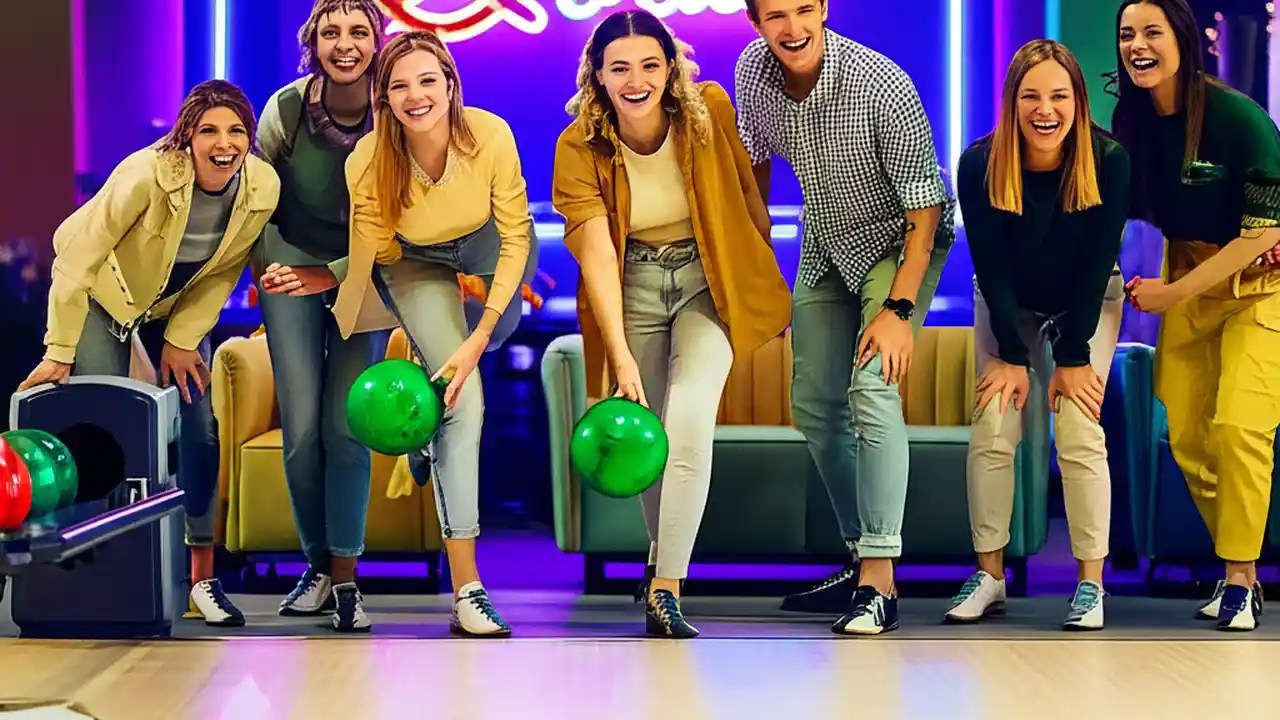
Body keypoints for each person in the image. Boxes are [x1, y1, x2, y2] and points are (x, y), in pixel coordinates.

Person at [268, 29, 537, 637]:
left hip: (491, 248)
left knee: (488, 343)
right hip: (416, 262)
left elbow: (517, 236)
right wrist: (325, 276)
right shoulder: (369, 160)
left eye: (427, 80)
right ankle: (469, 589)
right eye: (399, 85)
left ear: (450, 84)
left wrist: (479, 333)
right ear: (384, 97)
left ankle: (427, 421)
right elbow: (375, 255)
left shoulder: (490, 135)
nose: (416, 96)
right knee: (463, 399)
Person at [553, 10, 791, 639]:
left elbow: (747, 191)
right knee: (647, 434)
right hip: (629, 285)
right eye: (620, 68)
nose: (637, 80)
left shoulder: (708, 110)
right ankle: (662, 563)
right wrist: (618, 354)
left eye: (650, 65)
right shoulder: (578, 144)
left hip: (705, 282)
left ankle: (665, 586)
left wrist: (755, 277)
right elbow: (598, 253)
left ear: (671, 66)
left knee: (687, 420)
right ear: (598, 76)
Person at [18, 79, 281, 627]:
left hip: (174, 309)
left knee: (198, 428)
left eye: (236, 130)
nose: (223, 142)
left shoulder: (261, 187)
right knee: (106, 429)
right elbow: (75, 262)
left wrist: (183, 339)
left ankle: (202, 578)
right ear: (187, 137)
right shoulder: (145, 175)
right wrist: (60, 348)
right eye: (208, 130)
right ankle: (104, 570)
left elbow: (224, 272)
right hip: (102, 294)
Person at [734, 0, 955, 634]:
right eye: (776, 15)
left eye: (806, 9)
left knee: (871, 388)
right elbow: (755, 171)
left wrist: (898, 309)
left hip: (900, 239)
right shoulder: (753, 70)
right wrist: (761, 271)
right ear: (755, 22)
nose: (793, 28)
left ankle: (880, 583)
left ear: (826, 9)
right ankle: (862, 558)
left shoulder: (881, 84)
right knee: (813, 403)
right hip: (827, 242)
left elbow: (925, 213)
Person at [944, 40, 1130, 630]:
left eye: (1058, 95)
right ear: (1011, 102)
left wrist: (1073, 356)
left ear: (1077, 100)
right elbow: (992, 268)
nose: (1044, 109)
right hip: (1010, 303)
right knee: (994, 422)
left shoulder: (1109, 159)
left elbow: (1098, 260)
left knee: (1078, 426)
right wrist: (1012, 355)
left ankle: (1090, 584)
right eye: (1030, 96)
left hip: (1089, 296)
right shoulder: (979, 163)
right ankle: (990, 575)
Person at [1113, 0, 1280, 632]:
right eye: (1127, 34)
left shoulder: (1238, 118)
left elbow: (1262, 236)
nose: (1138, 45)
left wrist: (1172, 295)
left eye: (1152, 32)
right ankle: (1242, 562)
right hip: (1184, 273)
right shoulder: (1132, 121)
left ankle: (1240, 577)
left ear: (1184, 40)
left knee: (1240, 426)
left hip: (1262, 284)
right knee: (1186, 435)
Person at [252, 0, 389, 633]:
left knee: (345, 427)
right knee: (303, 428)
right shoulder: (284, 110)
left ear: (376, 41)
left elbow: (402, 219)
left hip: (369, 268)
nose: (344, 44)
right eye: (331, 32)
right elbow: (254, 206)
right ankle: (318, 568)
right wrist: (262, 285)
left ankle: (348, 581)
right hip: (289, 263)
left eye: (358, 31)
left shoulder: (397, 109)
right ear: (314, 42)